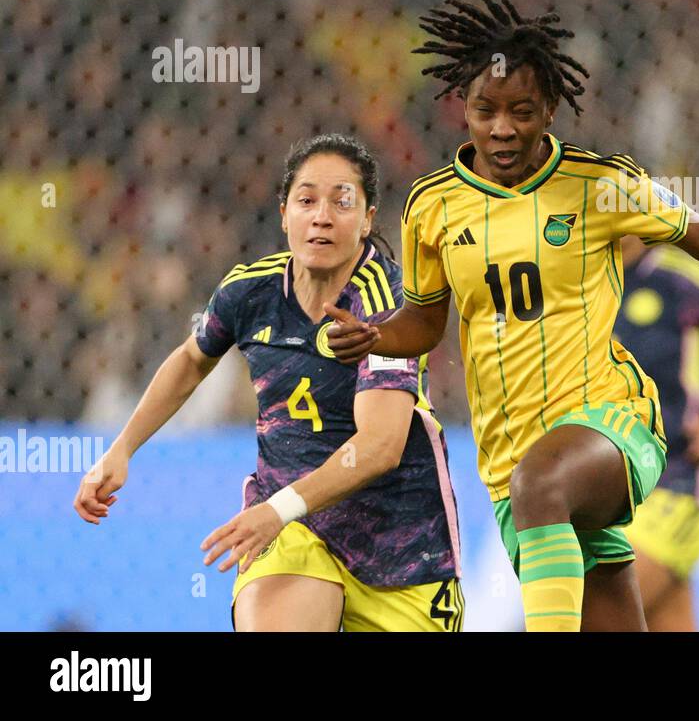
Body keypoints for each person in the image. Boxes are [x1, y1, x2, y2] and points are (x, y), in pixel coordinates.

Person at [325, 0, 699, 631]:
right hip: (510, 461)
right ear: (464, 110)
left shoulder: (599, 185)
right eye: (486, 111)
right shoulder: (432, 207)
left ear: (551, 111)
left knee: (543, 483)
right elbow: (425, 325)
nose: (502, 129)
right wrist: (376, 335)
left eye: (521, 112)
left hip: (612, 424)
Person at [74, 134, 463, 632]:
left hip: (400, 540)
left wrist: (276, 510)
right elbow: (193, 358)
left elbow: (382, 446)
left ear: (368, 219)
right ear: (284, 214)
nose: (321, 216)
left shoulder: (384, 300)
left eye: (343, 202)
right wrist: (122, 449)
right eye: (306, 201)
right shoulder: (248, 292)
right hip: (292, 529)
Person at [616, 235, 699, 631]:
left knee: (593, 618)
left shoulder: (680, 276)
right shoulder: (578, 278)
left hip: (676, 481)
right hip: (605, 493)